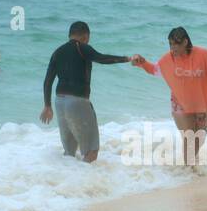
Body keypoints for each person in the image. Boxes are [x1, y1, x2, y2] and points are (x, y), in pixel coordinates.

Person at [40, 21, 136, 162]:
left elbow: (48, 81)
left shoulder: (57, 52)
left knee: (69, 152)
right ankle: (84, 181)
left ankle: (68, 180)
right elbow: (102, 58)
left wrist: (47, 105)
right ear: (86, 36)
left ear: (70, 35)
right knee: (91, 151)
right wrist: (127, 58)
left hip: (59, 102)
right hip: (77, 102)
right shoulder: (82, 47)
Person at [132, 27, 207, 170]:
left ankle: (190, 165)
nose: (172, 48)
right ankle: (189, 172)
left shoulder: (204, 55)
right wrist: (142, 63)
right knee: (189, 137)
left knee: (199, 138)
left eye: (175, 44)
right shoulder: (168, 59)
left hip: (202, 105)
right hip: (180, 105)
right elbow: (155, 69)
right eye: (170, 44)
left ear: (185, 42)